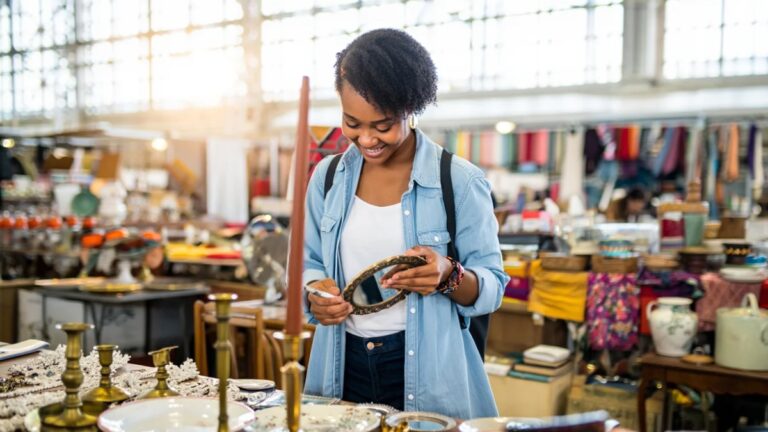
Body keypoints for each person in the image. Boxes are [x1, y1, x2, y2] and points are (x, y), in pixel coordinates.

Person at [302, 29, 509, 419]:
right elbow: (308, 263)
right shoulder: (328, 178)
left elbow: (493, 286)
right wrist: (315, 294)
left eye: (382, 125)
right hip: (340, 365)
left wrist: (448, 275)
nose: (366, 139)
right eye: (352, 122)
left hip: (426, 372)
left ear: (410, 109)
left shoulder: (460, 182)